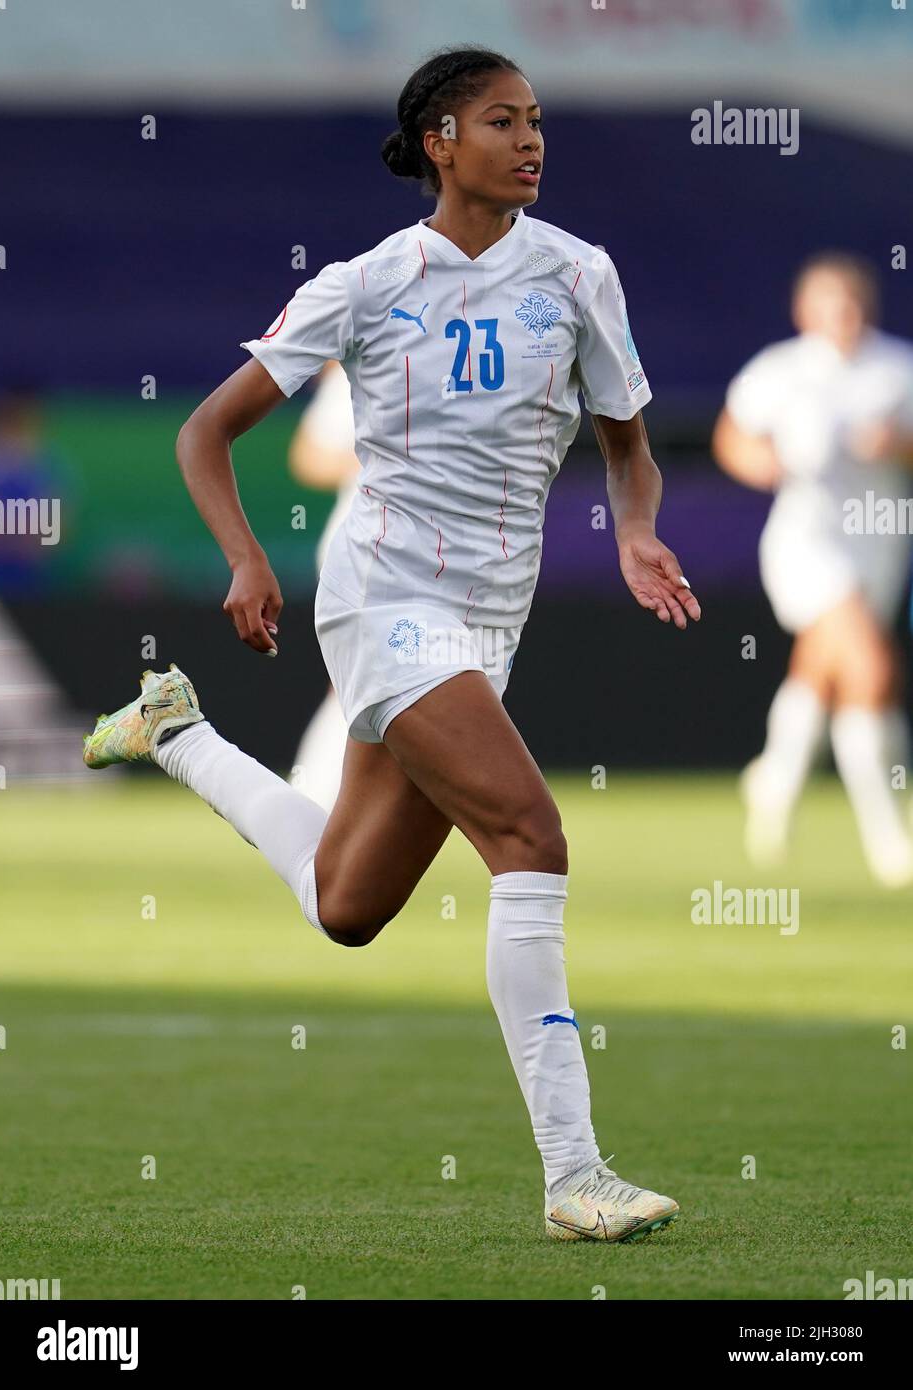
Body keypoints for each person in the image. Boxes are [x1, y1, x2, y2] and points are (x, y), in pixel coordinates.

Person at [83, 46, 700, 1242]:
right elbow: (206, 434)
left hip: (484, 618)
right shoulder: (367, 282)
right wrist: (249, 558)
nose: (529, 141)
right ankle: (573, 1174)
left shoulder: (577, 274)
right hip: (381, 591)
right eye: (502, 121)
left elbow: (628, 442)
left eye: (536, 122)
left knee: (346, 905)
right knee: (528, 831)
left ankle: (174, 729)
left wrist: (634, 534)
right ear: (439, 141)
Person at [714, 253, 913, 886]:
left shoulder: (897, 369)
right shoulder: (781, 371)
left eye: (852, 304)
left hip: (879, 543)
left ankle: (774, 782)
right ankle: (888, 840)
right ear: (806, 310)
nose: (842, 317)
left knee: (825, 676)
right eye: (829, 305)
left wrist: (896, 445)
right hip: (806, 544)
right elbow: (734, 437)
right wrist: (763, 464)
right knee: (873, 669)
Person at [287, 361, 357, 812]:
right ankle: (308, 803)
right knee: (353, 687)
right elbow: (307, 458)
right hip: (360, 552)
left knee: (359, 689)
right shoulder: (353, 376)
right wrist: (385, 454)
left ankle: (312, 804)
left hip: (425, 556)